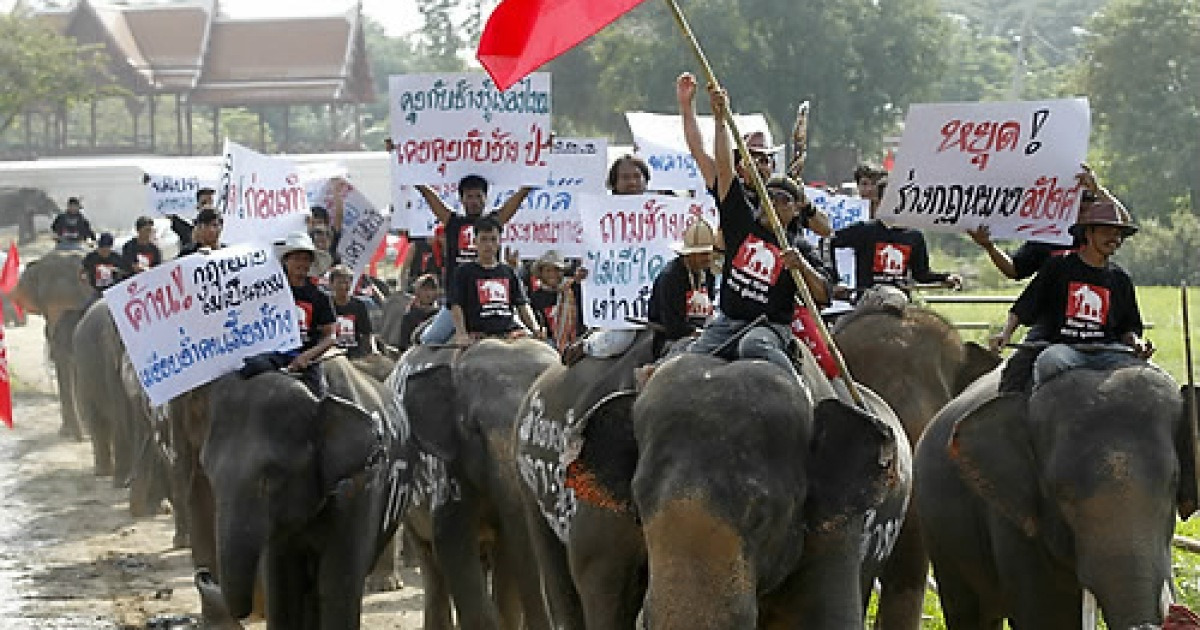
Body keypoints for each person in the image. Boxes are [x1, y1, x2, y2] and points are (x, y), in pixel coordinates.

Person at [684, 85, 832, 385]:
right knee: (684, 364)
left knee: (753, 345)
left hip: (769, 327)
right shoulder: (742, 217)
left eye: (784, 200)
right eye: (771, 196)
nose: (775, 202)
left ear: (795, 210)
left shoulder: (797, 245)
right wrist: (719, 119)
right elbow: (723, 168)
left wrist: (801, 266)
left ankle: (797, 389)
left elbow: (824, 295)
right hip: (726, 321)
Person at [989, 201, 1154, 393]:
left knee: (1150, 376)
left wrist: (1137, 344)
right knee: (1048, 362)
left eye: (1118, 234)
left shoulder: (1120, 278)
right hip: (1065, 349)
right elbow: (1026, 304)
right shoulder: (1058, 266)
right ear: (1088, 233)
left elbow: (1128, 327)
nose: (1114, 239)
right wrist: (1006, 333)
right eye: (1106, 232)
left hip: (1107, 352)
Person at [677, 72, 832, 238]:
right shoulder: (731, 193)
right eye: (753, 158)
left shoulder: (784, 198)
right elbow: (698, 150)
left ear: (772, 166)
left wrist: (805, 204)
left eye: (765, 160)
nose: (759, 165)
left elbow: (826, 230)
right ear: (739, 166)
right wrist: (687, 106)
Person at [416, 174, 533, 344]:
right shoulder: (452, 222)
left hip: (494, 305)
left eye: (478, 196)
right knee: (429, 340)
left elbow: (519, 197)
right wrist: (410, 172)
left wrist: (533, 179)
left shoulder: (495, 221)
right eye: (469, 196)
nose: (474, 201)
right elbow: (428, 194)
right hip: (458, 303)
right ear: (461, 200)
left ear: (486, 199)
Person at [831, 165, 961, 298]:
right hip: (868, 304)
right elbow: (828, 241)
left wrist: (945, 278)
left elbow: (921, 274)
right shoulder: (864, 230)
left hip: (899, 302)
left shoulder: (914, 236)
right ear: (881, 202)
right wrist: (833, 281)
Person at [967, 166, 1114, 281]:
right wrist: (989, 247)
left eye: (1089, 199)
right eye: (1076, 201)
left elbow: (1122, 220)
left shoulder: (1098, 233)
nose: (1082, 206)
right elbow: (1014, 270)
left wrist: (1098, 190)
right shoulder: (1046, 235)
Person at [239, 231, 336, 396]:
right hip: (274, 354)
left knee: (318, 398)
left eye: (306, 259)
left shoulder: (320, 297)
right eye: (297, 258)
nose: (301, 263)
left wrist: (307, 356)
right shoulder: (269, 290)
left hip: (306, 357)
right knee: (247, 371)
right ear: (286, 260)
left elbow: (330, 336)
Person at [449, 216, 543, 345]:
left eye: (493, 239)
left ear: (499, 242)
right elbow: (456, 305)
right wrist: (461, 334)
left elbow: (522, 304)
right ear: (475, 241)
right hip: (478, 334)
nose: (488, 245)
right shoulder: (463, 272)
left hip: (509, 332)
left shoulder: (509, 272)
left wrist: (536, 329)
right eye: (484, 239)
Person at [647, 218, 717, 357]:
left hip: (703, 334)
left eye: (709, 253)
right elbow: (671, 323)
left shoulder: (708, 273)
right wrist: (693, 332)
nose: (708, 258)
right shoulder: (670, 277)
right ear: (690, 254)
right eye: (703, 253)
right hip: (671, 338)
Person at [328, 265, 376, 358]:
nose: (343, 286)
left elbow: (367, 333)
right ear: (331, 284)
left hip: (355, 353)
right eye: (339, 283)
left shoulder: (359, 305)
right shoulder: (325, 304)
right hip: (332, 353)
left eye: (346, 283)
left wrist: (373, 350)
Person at [398, 273, 440, 351]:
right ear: (417, 292)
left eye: (432, 289)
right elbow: (404, 344)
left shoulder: (439, 314)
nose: (429, 293)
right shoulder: (410, 316)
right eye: (425, 289)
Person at [80, 233, 130, 297]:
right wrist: (83, 278)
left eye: (107, 248)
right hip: (95, 291)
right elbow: (83, 270)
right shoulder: (91, 257)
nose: (104, 250)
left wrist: (116, 270)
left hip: (112, 291)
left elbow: (126, 272)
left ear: (110, 247)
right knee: (88, 306)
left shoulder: (116, 257)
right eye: (102, 248)